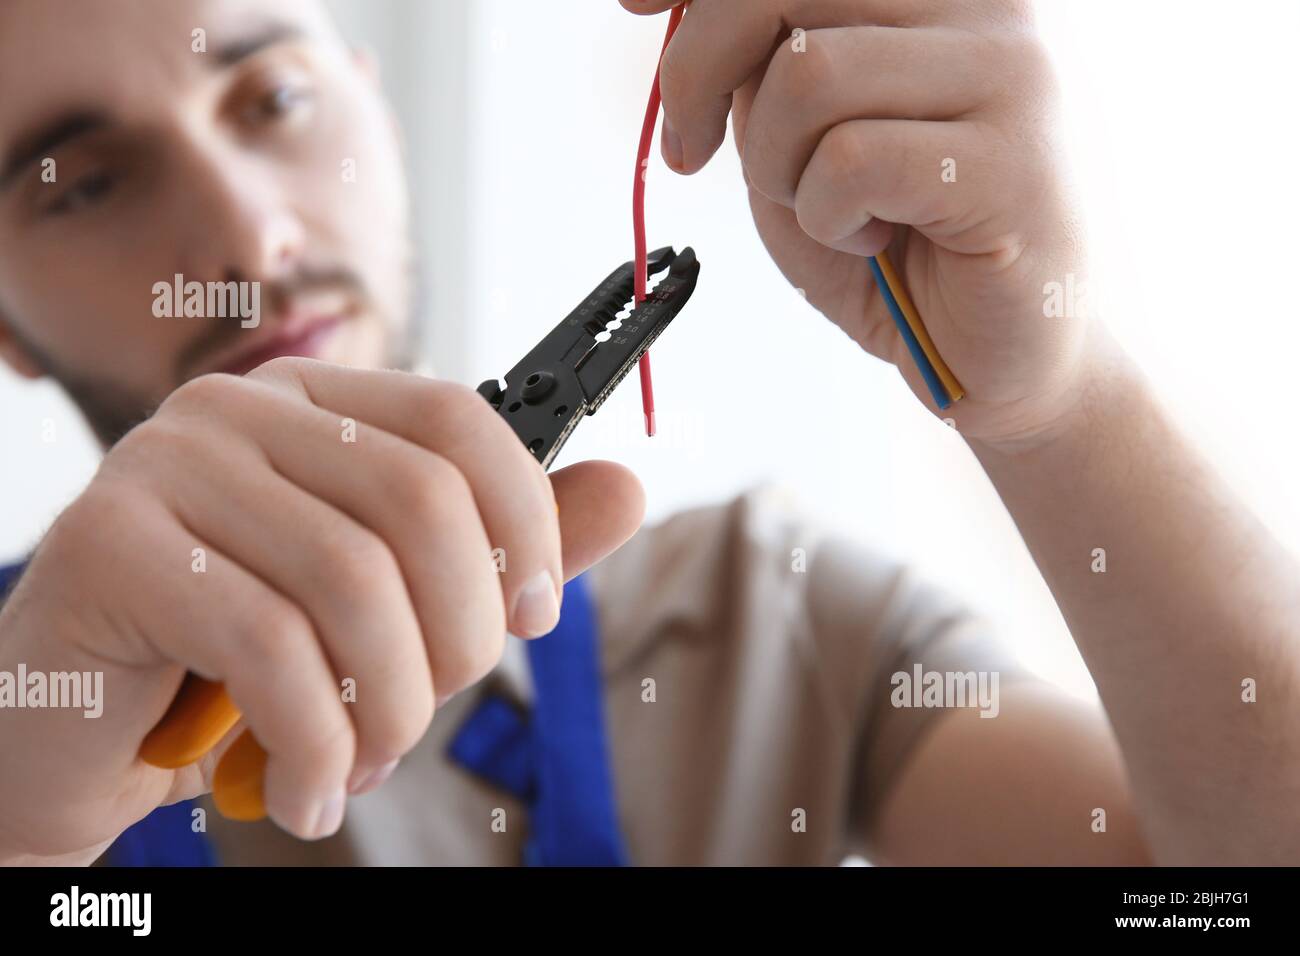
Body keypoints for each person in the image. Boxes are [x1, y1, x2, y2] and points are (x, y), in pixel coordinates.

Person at [0, 0, 1294, 866]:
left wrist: (1057, 406)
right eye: (89, 182)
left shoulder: (767, 630)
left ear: (376, 122)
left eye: (271, 100)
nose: (244, 244)